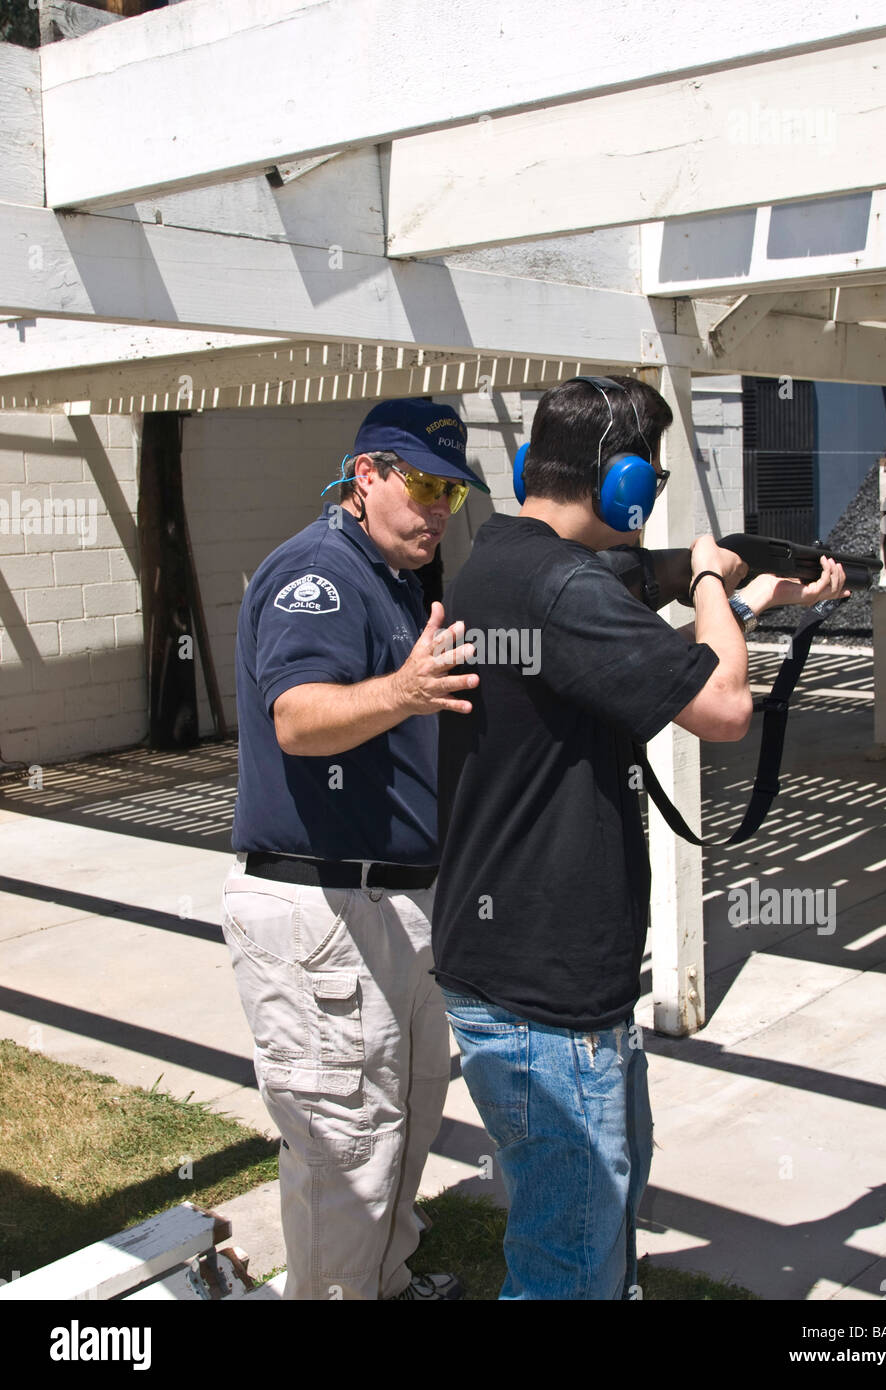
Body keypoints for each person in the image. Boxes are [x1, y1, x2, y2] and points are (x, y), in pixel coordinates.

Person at [432, 374, 847, 1300]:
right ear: (622, 483)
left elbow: (623, 603)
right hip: (547, 1000)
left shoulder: (502, 557)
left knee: (591, 1243)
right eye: (650, 477)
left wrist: (747, 586)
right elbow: (725, 707)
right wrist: (707, 579)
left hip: (524, 978)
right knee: (569, 1271)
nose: (652, 492)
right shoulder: (563, 589)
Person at [222, 398, 488, 1300]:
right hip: (325, 911)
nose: (439, 508)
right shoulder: (319, 575)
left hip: (395, 903)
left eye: (451, 489)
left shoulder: (403, 572)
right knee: (347, 1150)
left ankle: (386, 1283)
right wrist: (407, 691)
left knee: (405, 1123)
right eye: (421, 484)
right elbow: (297, 719)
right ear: (365, 475)